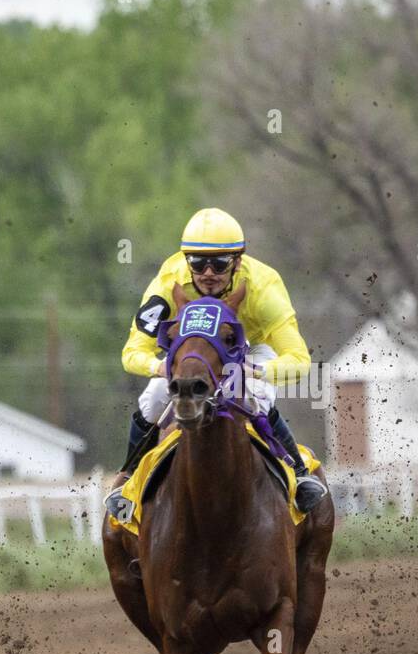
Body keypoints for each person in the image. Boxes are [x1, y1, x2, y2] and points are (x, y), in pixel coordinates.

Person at [104, 207, 327, 523]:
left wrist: (256, 372)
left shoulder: (264, 288)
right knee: (154, 398)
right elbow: (132, 353)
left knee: (255, 394)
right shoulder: (168, 283)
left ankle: (299, 472)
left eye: (220, 263)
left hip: (249, 347)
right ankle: (126, 477)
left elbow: (300, 360)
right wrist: (161, 369)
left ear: (237, 260)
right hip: (193, 352)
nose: (208, 272)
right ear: (186, 262)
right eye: (198, 262)